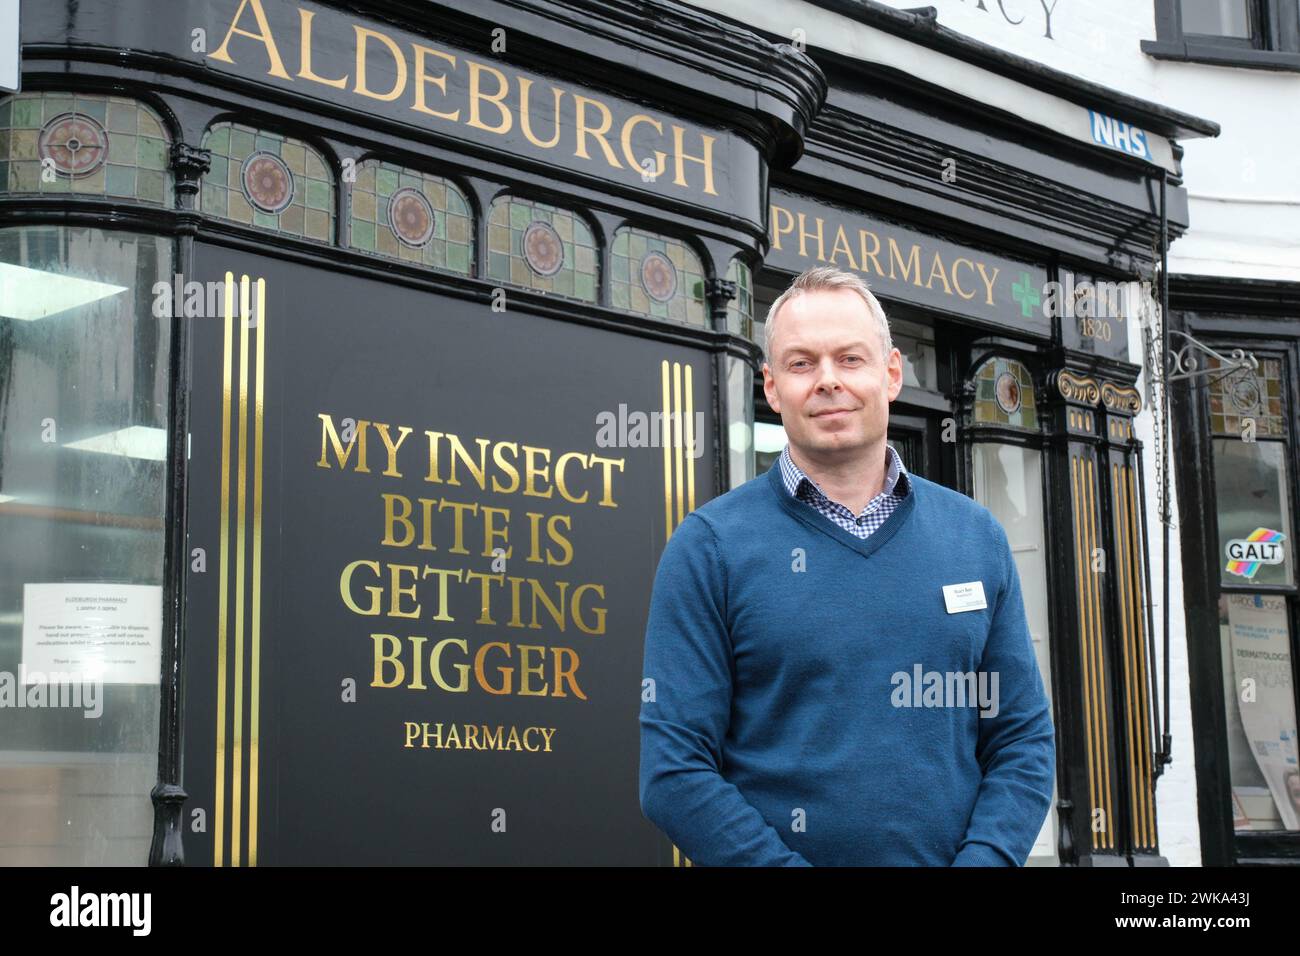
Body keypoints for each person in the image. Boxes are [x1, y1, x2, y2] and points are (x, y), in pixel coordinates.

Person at [638, 265, 1056, 866]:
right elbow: (674, 773)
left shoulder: (974, 538)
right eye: (802, 364)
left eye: (850, 359)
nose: (827, 381)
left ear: (890, 374)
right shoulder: (709, 548)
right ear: (773, 387)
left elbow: (1022, 740)